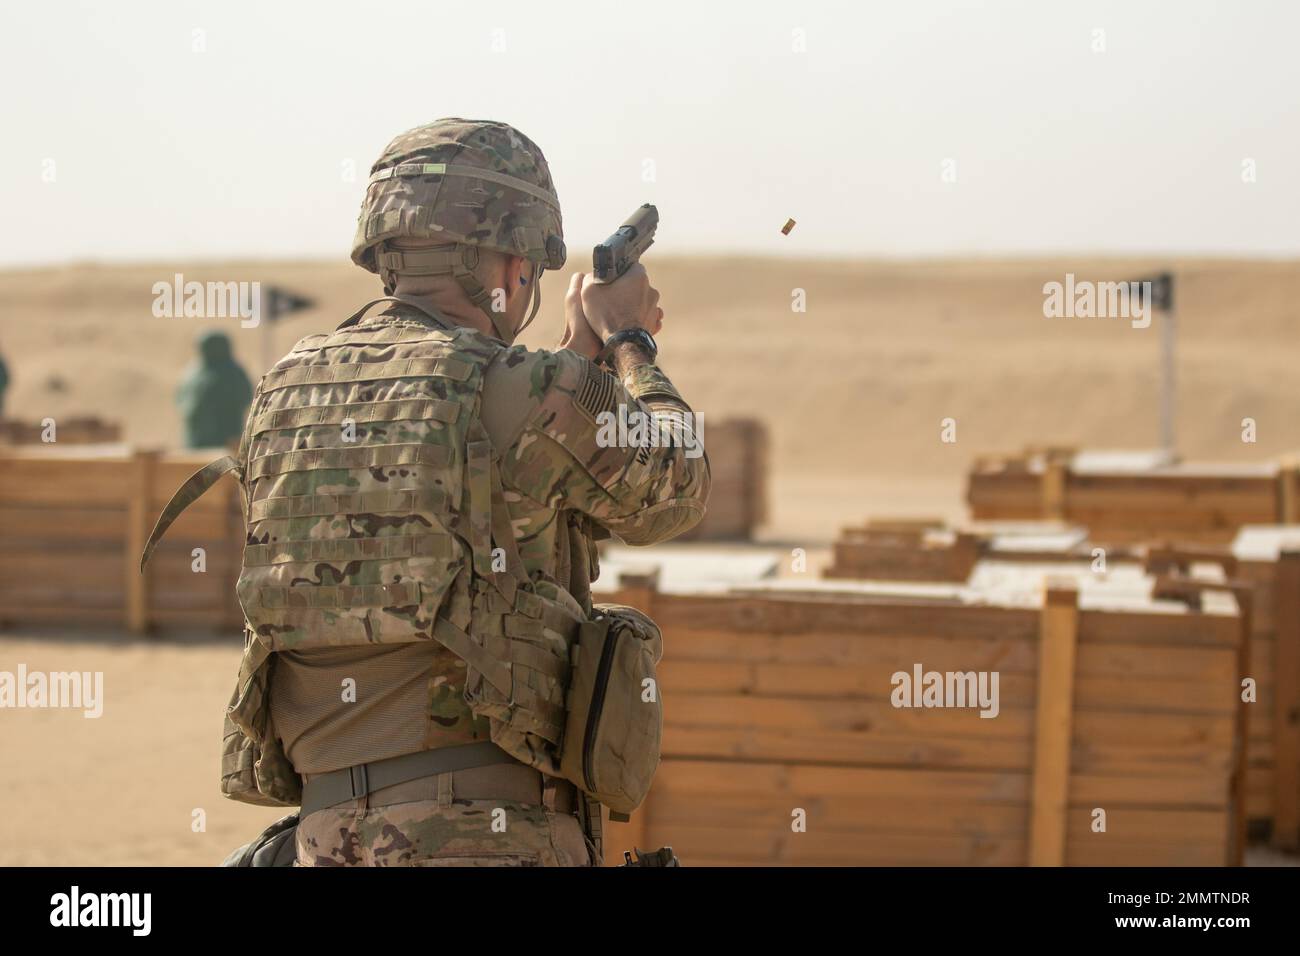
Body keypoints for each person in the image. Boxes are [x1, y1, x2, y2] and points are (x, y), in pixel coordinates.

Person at [222, 119, 709, 866]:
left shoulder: (283, 391)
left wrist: (575, 368)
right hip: (483, 839)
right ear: (513, 262)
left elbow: (479, 474)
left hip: (323, 838)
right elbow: (679, 475)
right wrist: (627, 343)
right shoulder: (521, 391)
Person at [175, 330, 253, 449]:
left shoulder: (232, 372)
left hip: (224, 440)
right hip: (198, 440)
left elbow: (245, 397)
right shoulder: (193, 373)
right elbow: (181, 400)